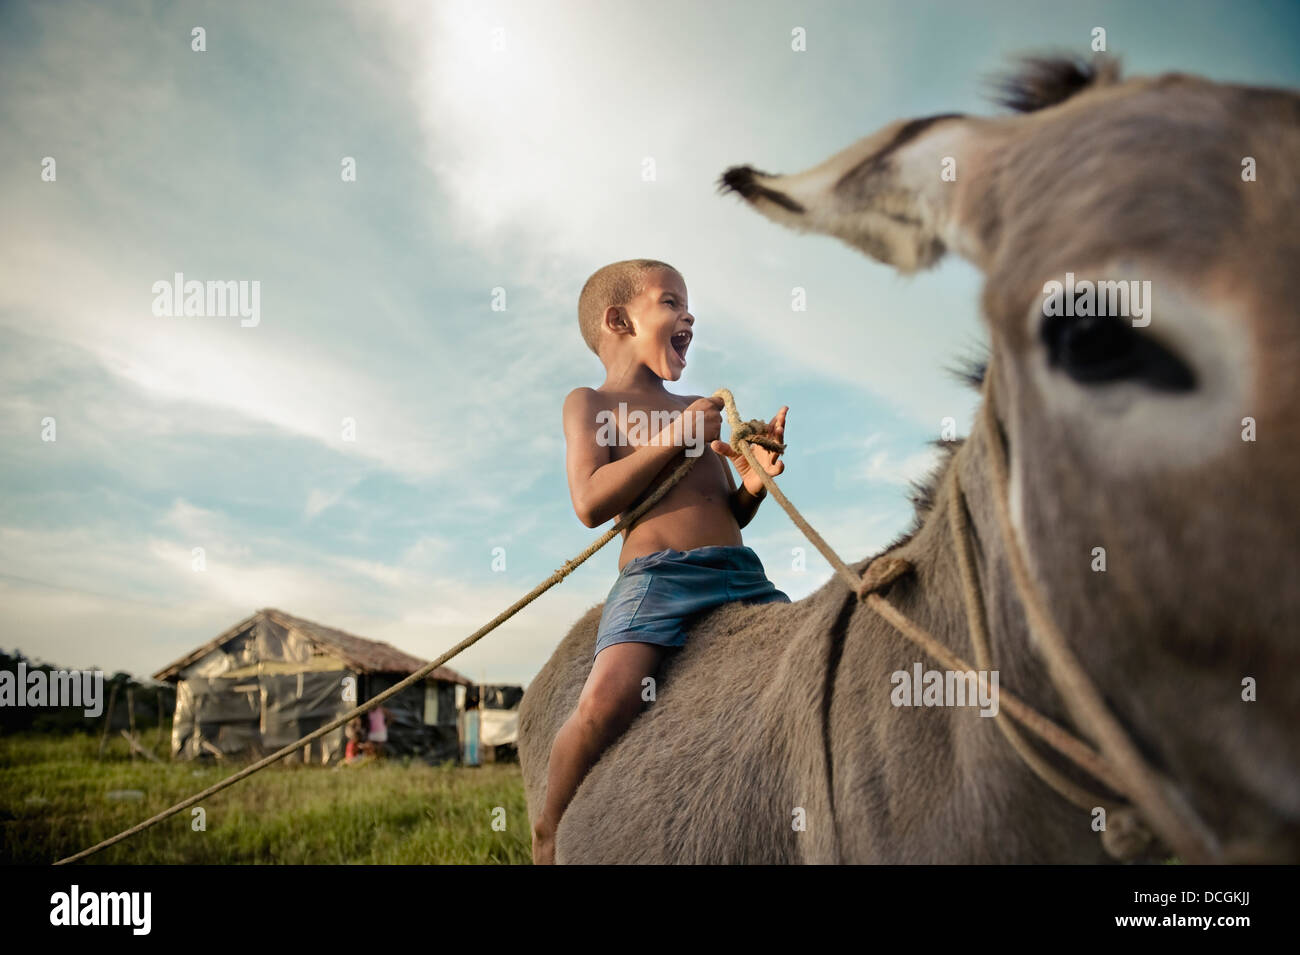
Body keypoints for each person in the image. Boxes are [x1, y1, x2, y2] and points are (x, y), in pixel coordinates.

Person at [531, 259, 791, 864]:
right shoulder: (591, 403)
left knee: (795, 665)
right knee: (606, 701)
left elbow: (719, 508)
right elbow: (590, 501)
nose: (689, 315)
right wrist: (675, 436)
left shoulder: (697, 408)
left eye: (688, 305)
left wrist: (751, 485)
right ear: (619, 319)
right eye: (671, 302)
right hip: (659, 578)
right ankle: (549, 830)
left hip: (738, 570)